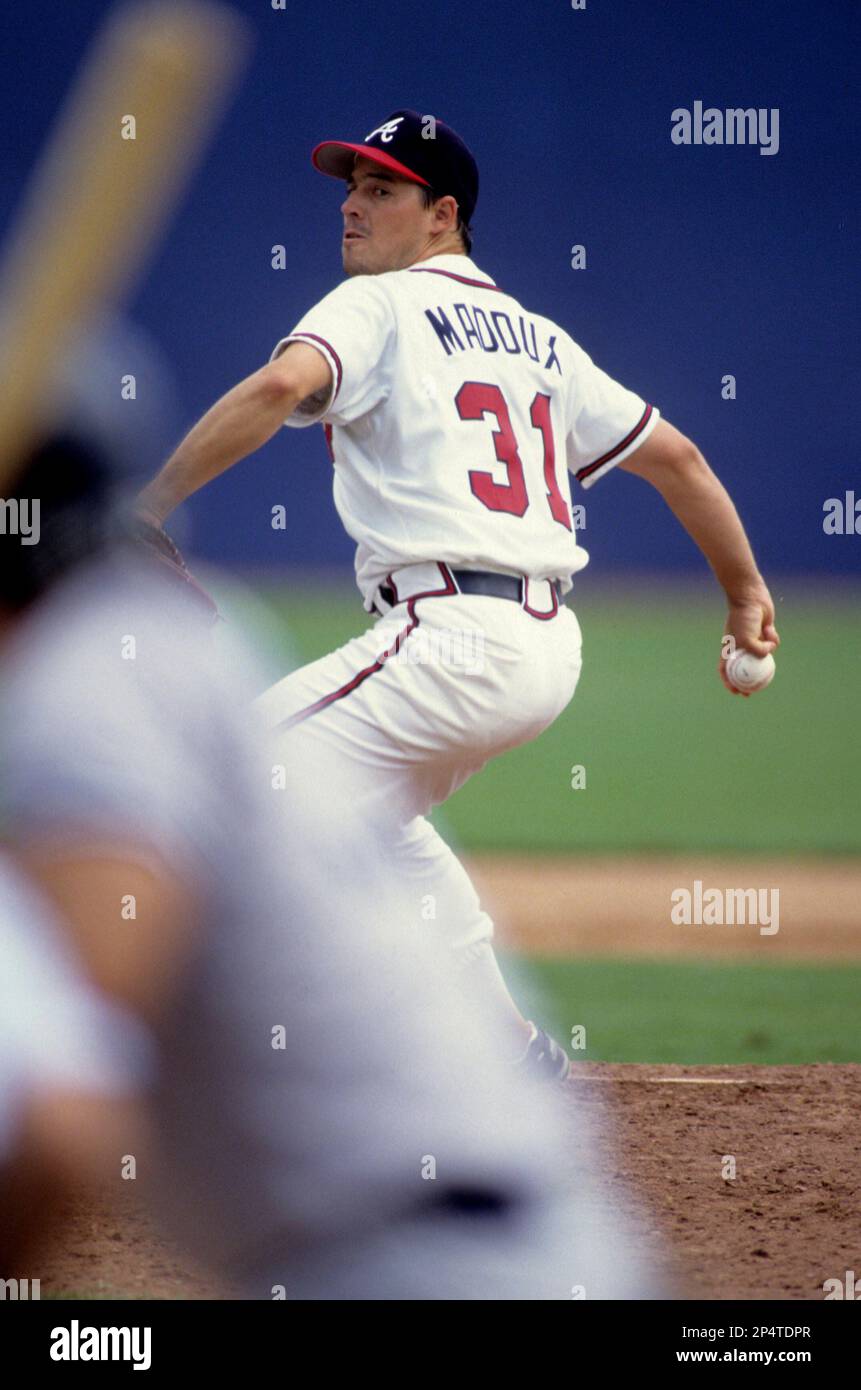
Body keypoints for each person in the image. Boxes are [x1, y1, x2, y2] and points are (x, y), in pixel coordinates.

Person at [0, 319, 658, 1299]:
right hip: (481, 1248)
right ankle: (512, 1040)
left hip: (417, 1272)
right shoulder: (144, 657)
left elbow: (61, 1110)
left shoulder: (91, 684)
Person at [136, 109, 780, 1079]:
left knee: (230, 784)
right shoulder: (541, 339)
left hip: (447, 638)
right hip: (541, 650)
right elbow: (679, 456)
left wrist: (143, 510)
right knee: (362, 819)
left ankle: (192, 1060)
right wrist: (744, 595)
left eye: (382, 189)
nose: (353, 206)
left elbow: (279, 389)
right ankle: (504, 1046)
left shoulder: (379, 304)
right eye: (351, 186)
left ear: (442, 215)